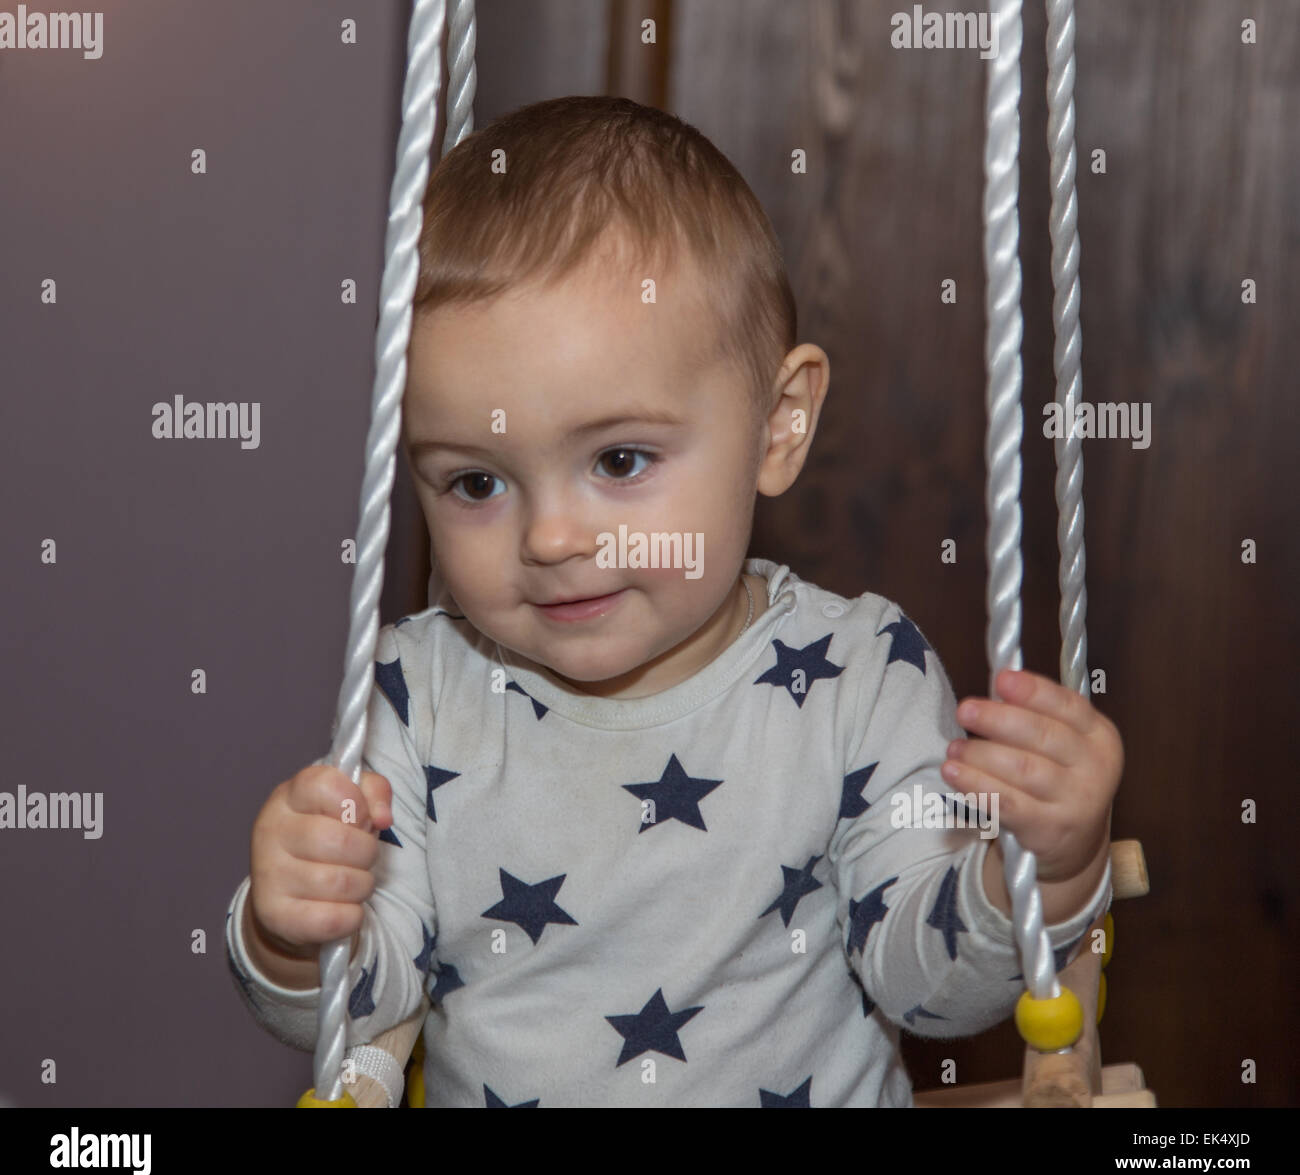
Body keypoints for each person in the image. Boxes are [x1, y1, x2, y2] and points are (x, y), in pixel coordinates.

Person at [225, 95, 1122, 1107]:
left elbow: (929, 987)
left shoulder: (857, 676)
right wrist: (295, 934)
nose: (549, 539)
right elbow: (360, 1012)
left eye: (619, 458)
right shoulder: (420, 692)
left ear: (778, 426)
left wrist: (1044, 870)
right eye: (475, 482)